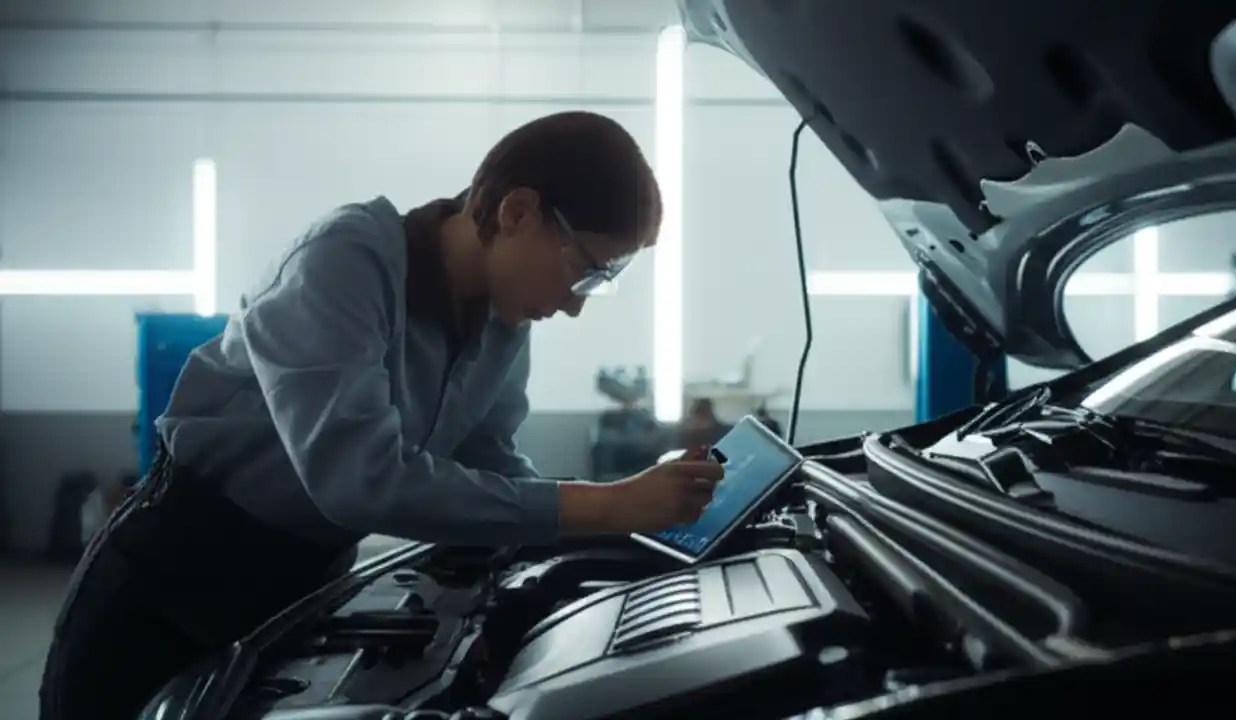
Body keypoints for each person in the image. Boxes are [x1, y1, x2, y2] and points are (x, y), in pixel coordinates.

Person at [39, 110, 724, 720]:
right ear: (517, 211)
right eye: (586, 272)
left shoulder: (503, 322)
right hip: (172, 582)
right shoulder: (345, 260)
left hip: (298, 584)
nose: (576, 303)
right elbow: (359, 480)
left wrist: (622, 535)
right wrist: (602, 507)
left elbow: (488, 461)